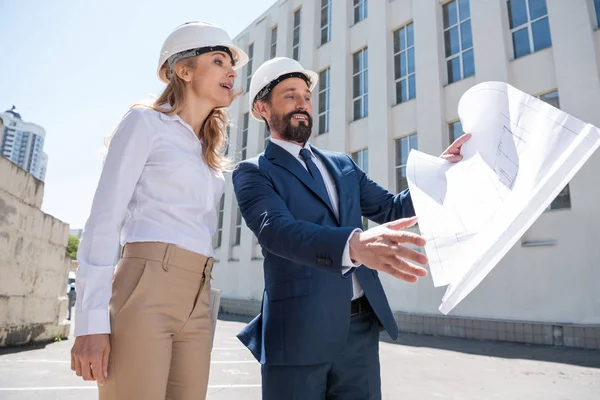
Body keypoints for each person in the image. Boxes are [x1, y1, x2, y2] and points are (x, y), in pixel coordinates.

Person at [233, 57, 471, 399]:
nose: (302, 104)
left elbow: (391, 208)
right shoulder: (253, 171)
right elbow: (277, 231)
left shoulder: (341, 164)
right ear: (262, 108)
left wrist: (443, 171)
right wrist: (354, 245)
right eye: (289, 96)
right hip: (298, 332)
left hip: (359, 330)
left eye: (306, 96)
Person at [70, 21, 248, 400]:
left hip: (198, 294)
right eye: (219, 60)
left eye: (232, 65)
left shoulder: (207, 151)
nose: (231, 72)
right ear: (184, 70)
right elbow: (103, 220)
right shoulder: (144, 123)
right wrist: (89, 322)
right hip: (146, 284)